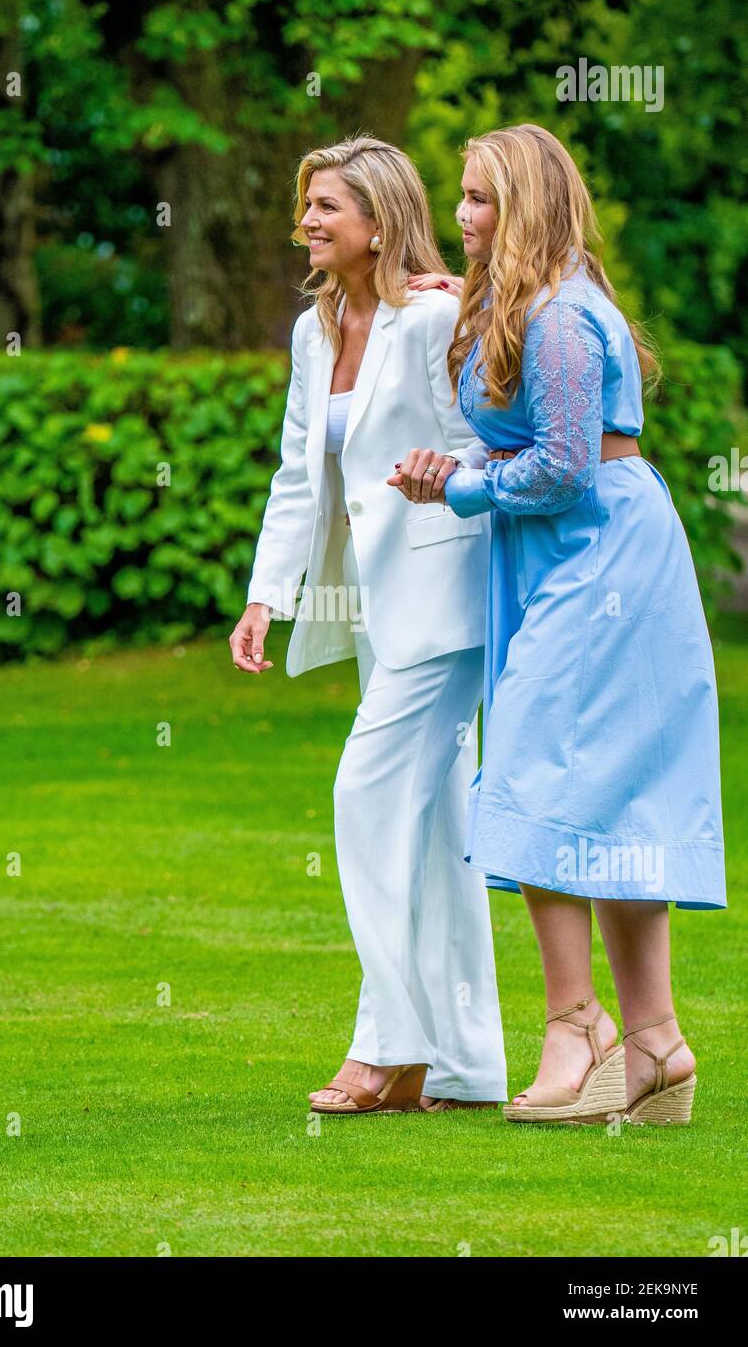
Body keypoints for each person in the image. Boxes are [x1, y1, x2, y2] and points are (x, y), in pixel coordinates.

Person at [391, 123, 726, 1125]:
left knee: (536, 770)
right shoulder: (528, 303)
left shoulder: (558, 319)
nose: (461, 216)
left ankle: (575, 1025)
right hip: (566, 557)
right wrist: (453, 291)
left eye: (482, 200)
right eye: (459, 196)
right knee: (603, 788)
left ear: (529, 203)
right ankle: (655, 1043)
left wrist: (457, 482)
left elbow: (562, 466)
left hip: (599, 555)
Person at [230, 135, 508, 1114]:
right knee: (435, 829)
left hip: (441, 601)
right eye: (304, 204)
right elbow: (299, 470)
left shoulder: (433, 315)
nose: (307, 219)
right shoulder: (316, 327)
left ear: (378, 222)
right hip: (373, 610)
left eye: (327, 207)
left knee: (365, 795)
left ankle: (386, 1045)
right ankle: (467, 1066)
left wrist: (449, 486)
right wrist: (269, 592)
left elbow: (483, 441)